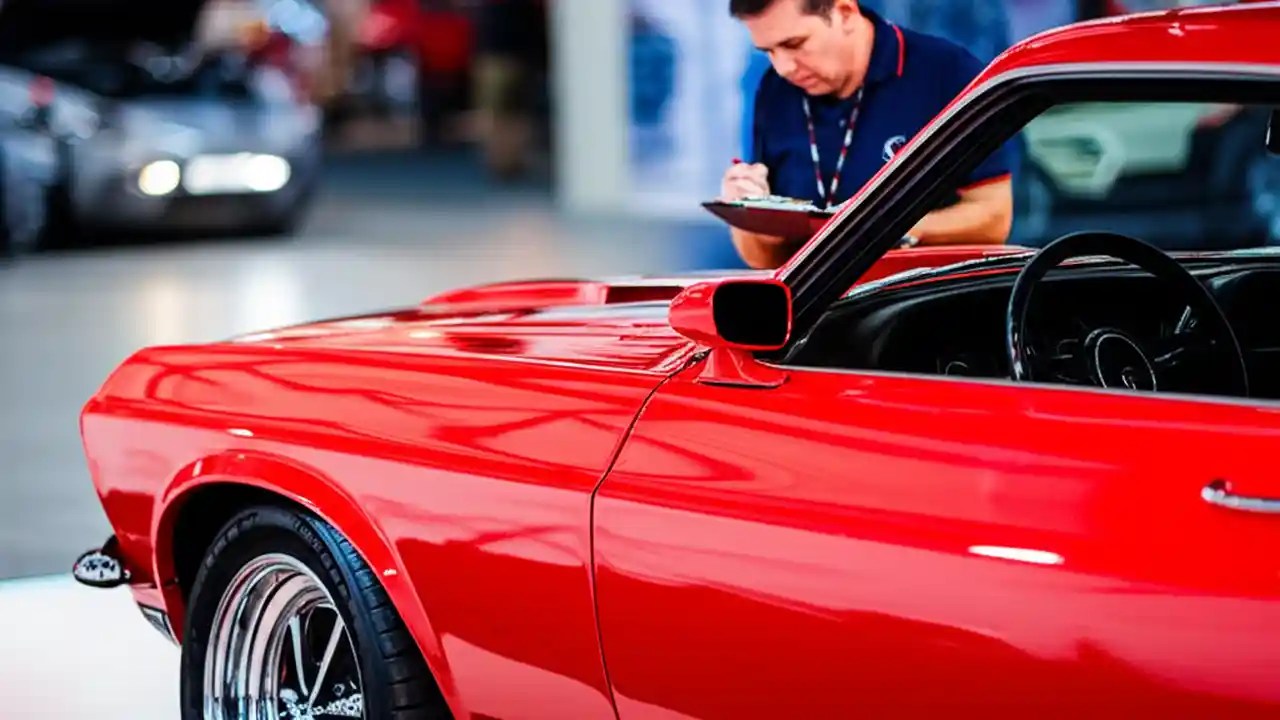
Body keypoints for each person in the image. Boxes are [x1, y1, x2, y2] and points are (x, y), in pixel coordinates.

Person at [722, 0, 1014, 269]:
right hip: (814, 301)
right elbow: (764, 260)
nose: (785, 67)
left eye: (795, 44)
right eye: (769, 51)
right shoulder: (774, 91)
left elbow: (994, 219)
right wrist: (747, 217)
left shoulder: (945, 71)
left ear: (845, 13)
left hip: (921, 296)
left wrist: (890, 229)